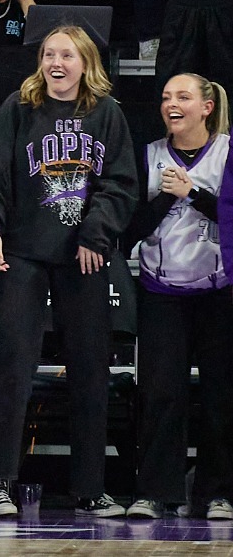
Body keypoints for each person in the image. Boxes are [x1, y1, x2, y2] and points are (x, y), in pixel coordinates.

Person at [0, 25, 137, 518]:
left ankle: (90, 487)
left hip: (84, 256)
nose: (55, 63)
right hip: (23, 253)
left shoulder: (107, 115)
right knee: (11, 368)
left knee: (91, 371)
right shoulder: (18, 108)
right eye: (48, 54)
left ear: (85, 62)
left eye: (66, 55)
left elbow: (121, 183)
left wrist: (95, 233)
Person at [121, 74, 233, 518]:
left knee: (220, 396)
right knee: (161, 393)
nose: (172, 104)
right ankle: (154, 491)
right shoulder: (147, 155)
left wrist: (195, 194)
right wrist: (167, 199)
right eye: (167, 97)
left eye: (183, 97)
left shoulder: (227, 151)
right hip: (160, 290)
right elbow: (129, 227)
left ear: (206, 107)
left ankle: (218, 492)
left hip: (218, 291)